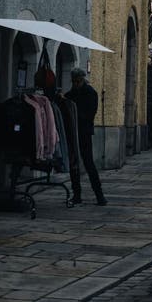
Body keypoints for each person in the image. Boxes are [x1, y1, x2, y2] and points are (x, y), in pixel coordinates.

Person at [65, 68, 107, 206]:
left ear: (83, 79)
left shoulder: (90, 93)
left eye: (78, 81)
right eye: (74, 81)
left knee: (89, 163)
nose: (76, 83)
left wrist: (76, 113)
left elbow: (90, 115)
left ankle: (99, 196)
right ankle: (76, 195)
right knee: (73, 164)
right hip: (73, 132)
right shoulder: (70, 95)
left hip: (84, 132)